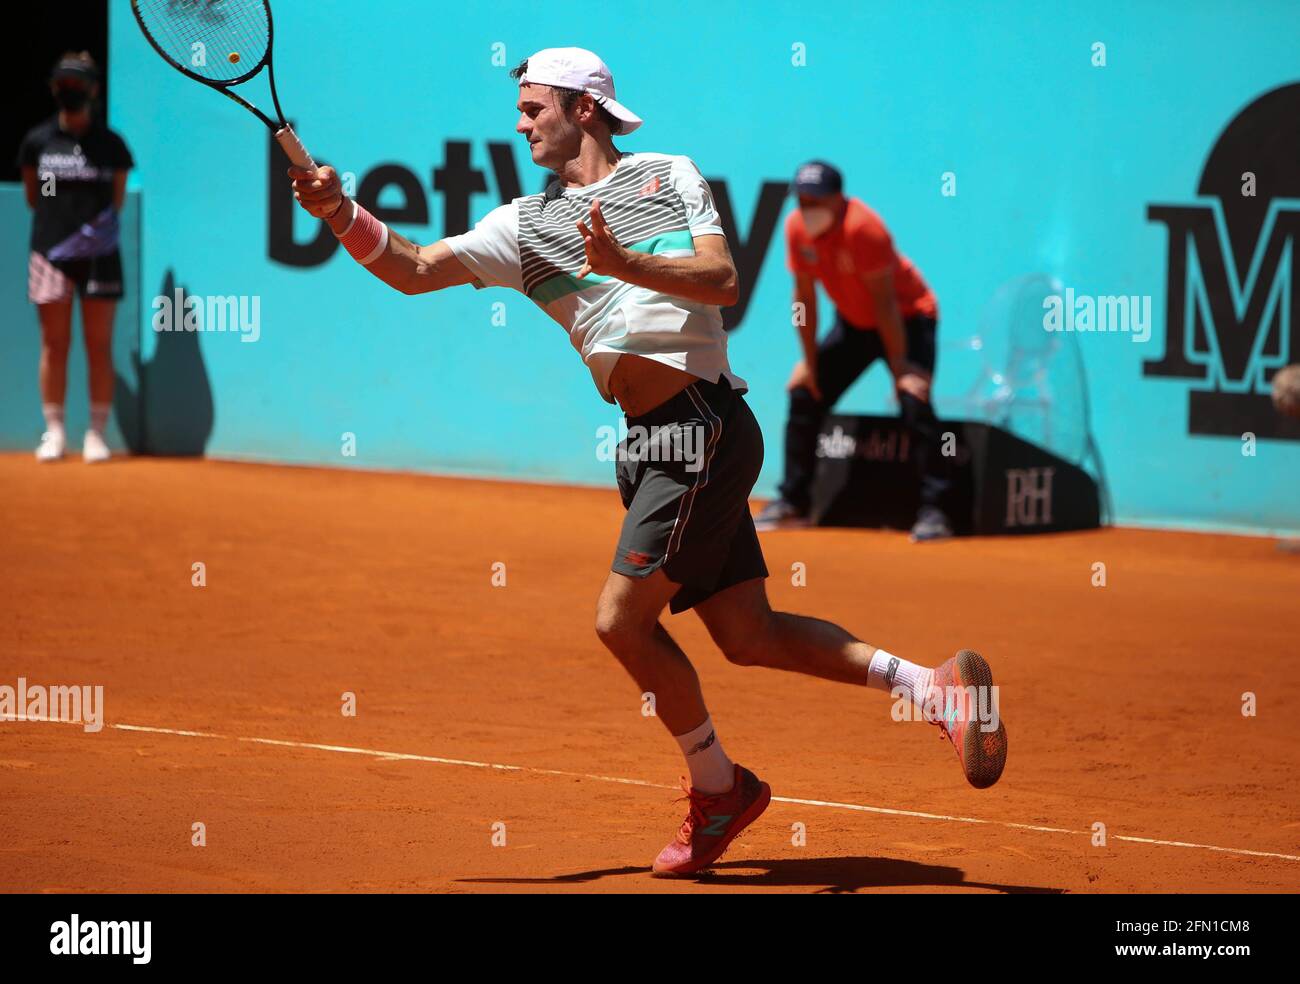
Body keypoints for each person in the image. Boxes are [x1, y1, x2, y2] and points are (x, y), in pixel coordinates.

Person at [288, 47, 1006, 877]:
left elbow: (722, 278)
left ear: (584, 108)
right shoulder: (522, 225)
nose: (520, 125)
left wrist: (625, 263)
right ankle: (932, 686)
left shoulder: (667, 175)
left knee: (619, 621)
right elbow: (413, 270)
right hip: (648, 442)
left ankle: (719, 789)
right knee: (748, 634)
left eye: (533, 108)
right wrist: (338, 211)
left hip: (699, 427)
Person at [755, 161, 953, 541]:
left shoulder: (864, 228)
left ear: (838, 199)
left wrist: (901, 368)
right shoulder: (796, 227)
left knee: (913, 399)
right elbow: (804, 299)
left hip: (908, 318)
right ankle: (793, 503)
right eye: (801, 200)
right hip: (853, 323)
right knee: (804, 393)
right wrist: (809, 364)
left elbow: (885, 304)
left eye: (816, 200)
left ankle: (936, 510)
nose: (807, 208)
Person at [18, 52, 133, 464]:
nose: (71, 90)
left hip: (100, 256)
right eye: (64, 83)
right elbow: (36, 197)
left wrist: (90, 236)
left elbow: (115, 201)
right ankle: (54, 432)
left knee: (98, 344)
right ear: (54, 88)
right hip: (49, 254)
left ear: (93, 89)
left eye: (78, 83)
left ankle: (96, 435)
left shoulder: (111, 145)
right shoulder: (38, 143)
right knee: (54, 342)